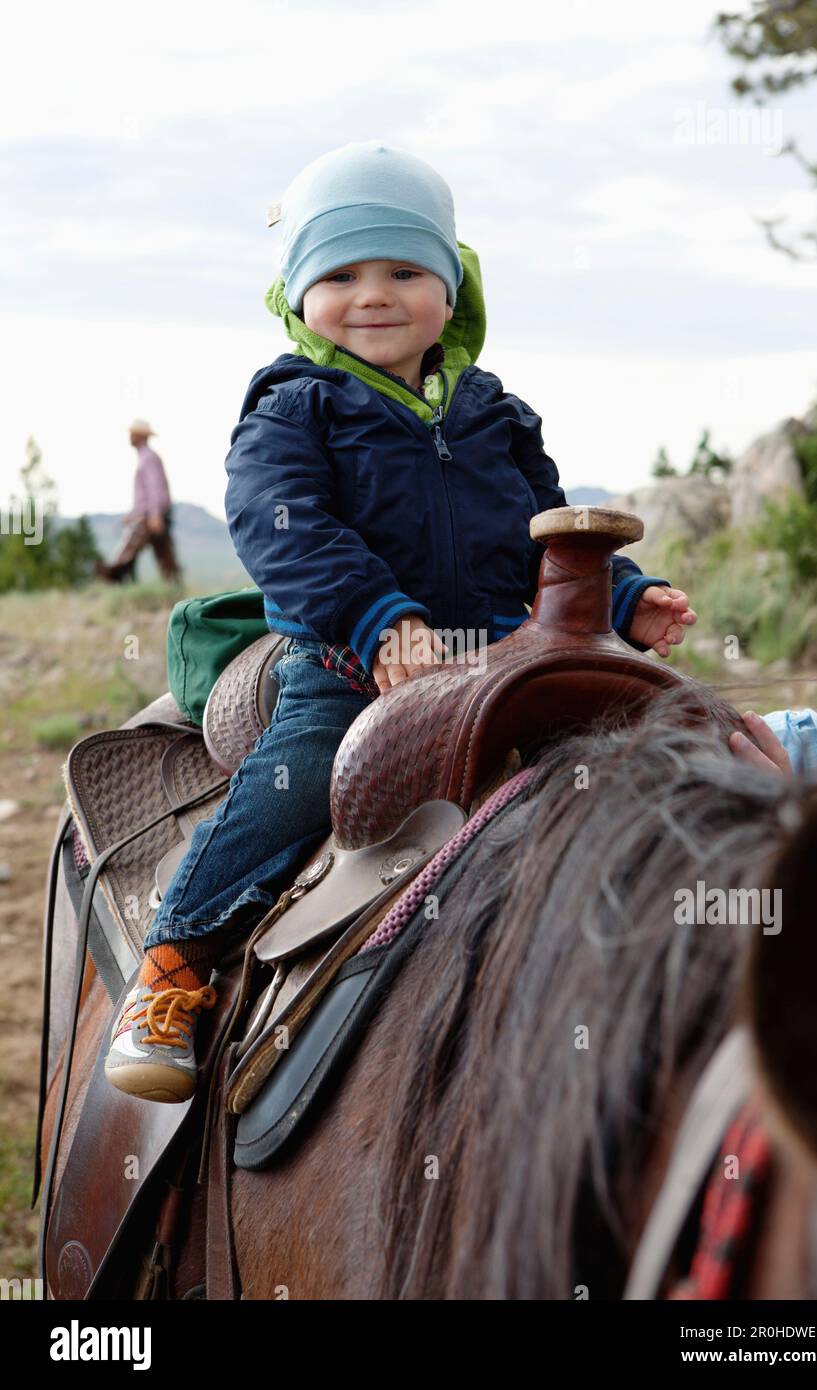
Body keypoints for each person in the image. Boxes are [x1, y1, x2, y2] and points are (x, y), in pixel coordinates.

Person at [104, 141, 697, 1103]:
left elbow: (543, 532)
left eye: (403, 271)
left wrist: (619, 595)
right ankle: (174, 963)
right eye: (339, 274)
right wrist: (380, 622)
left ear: (451, 292)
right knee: (298, 783)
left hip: (503, 659)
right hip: (346, 665)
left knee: (640, 756)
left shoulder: (497, 415)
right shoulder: (294, 408)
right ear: (297, 298)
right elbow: (283, 528)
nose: (372, 295)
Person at [95, 420, 182, 583]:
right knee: (164, 554)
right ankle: (173, 586)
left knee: (130, 547)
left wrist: (155, 515)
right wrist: (133, 513)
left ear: (139, 436)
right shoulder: (147, 457)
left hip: (149, 516)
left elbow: (155, 488)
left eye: (132, 433)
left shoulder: (148, 458)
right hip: (148, 514)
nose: (130, 437)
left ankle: (113, 573)